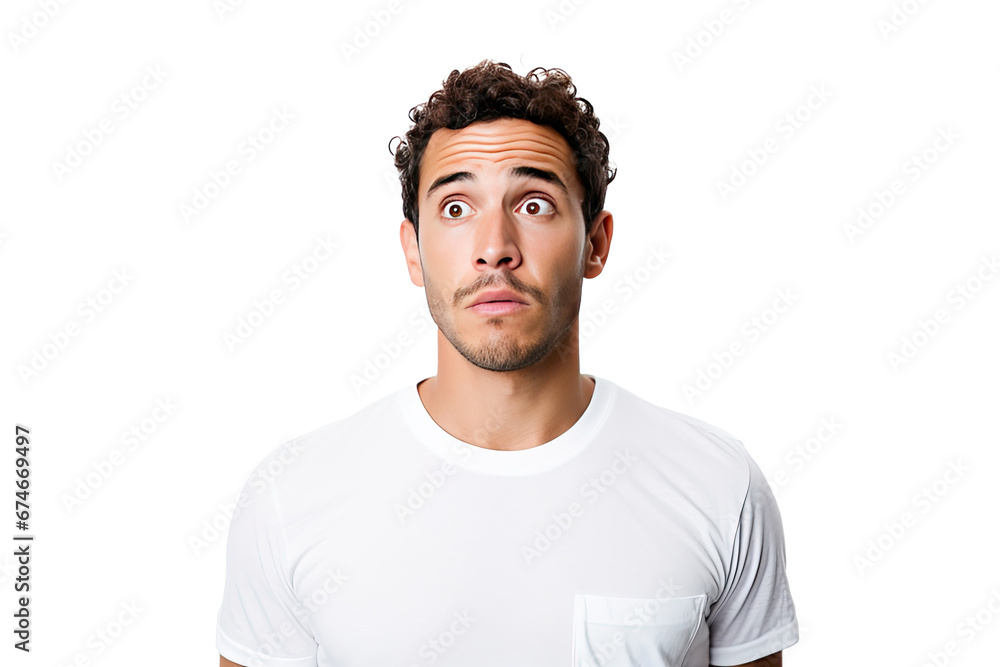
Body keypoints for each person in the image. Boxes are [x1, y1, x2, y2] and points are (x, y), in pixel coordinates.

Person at [216, 59, 798, 667]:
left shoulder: (718, 485)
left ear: (595, 244)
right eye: (456, 209)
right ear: (413, 251)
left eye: (535, 205)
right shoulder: (291, 495)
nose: (495, 248)